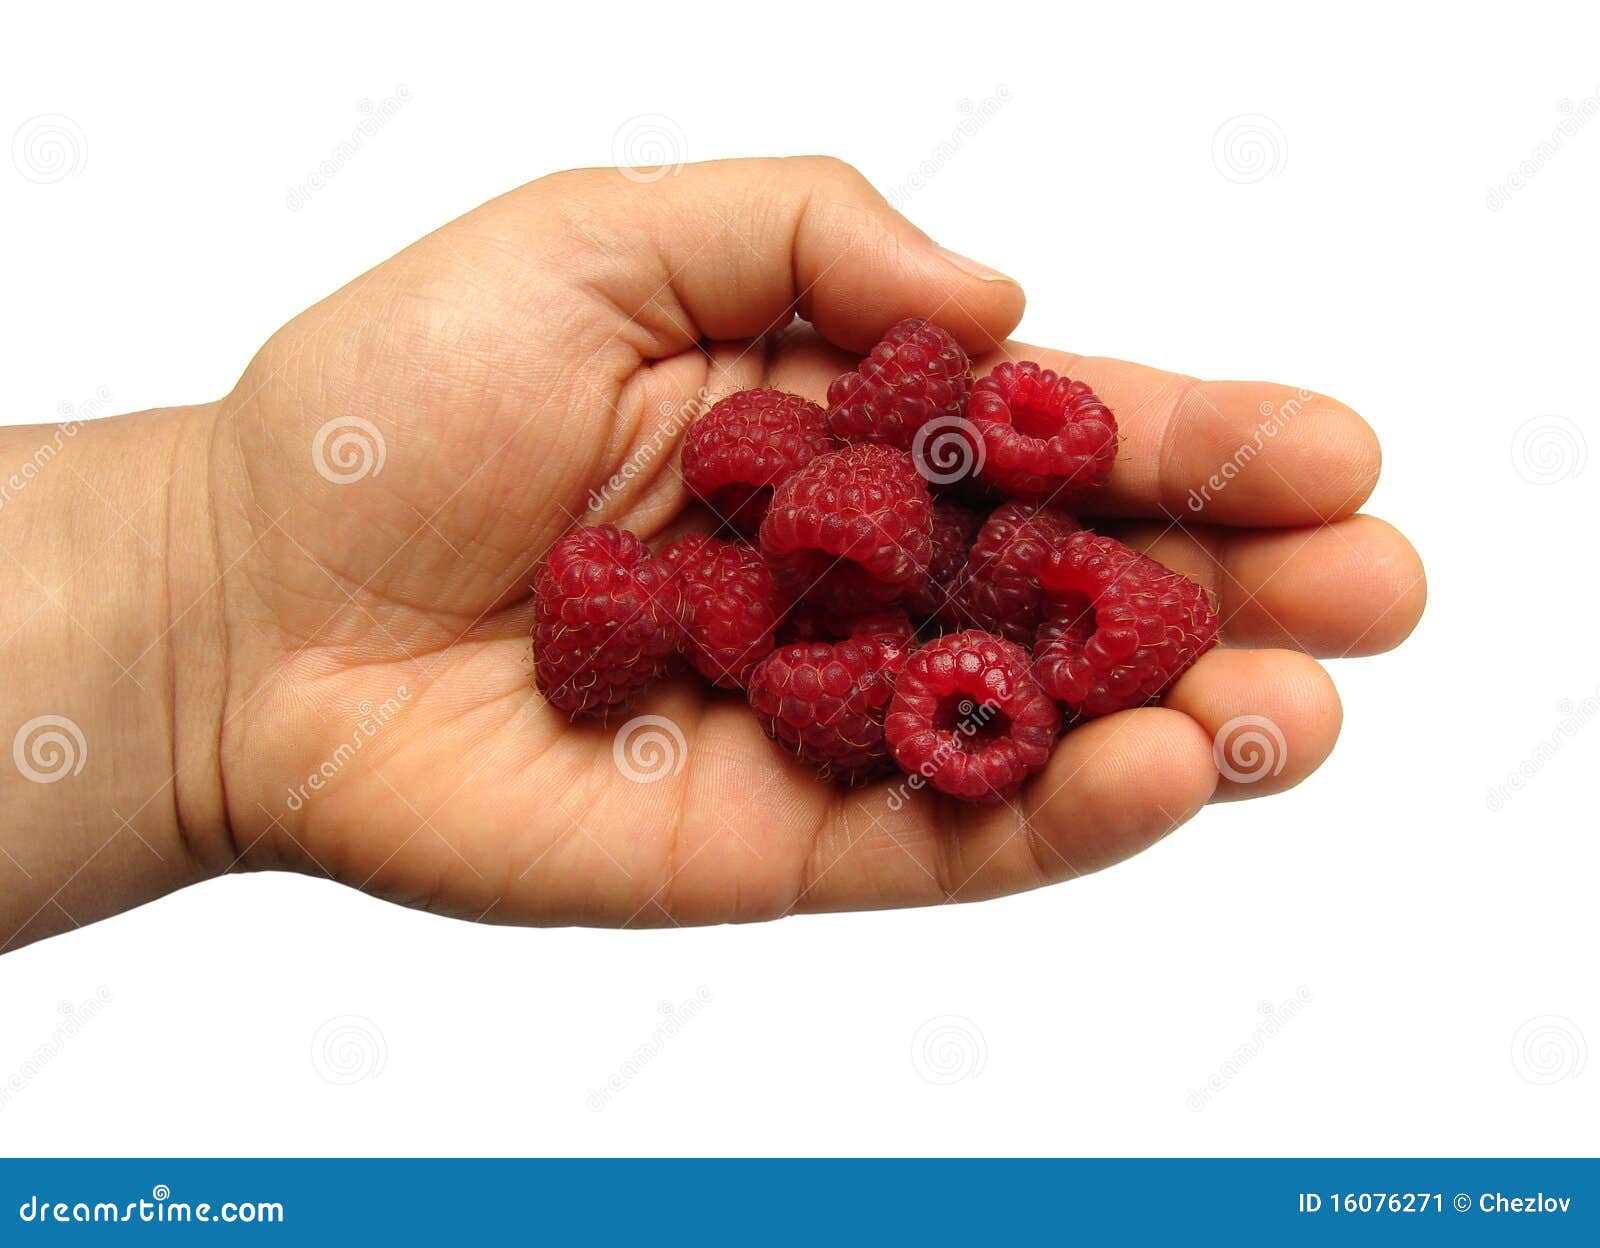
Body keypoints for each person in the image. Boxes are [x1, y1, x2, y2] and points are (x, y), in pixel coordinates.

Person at [0, 157, 1425, 951]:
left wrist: (199, 592)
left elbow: (922, 566)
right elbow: (802, 564)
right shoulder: (765, 546)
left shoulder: (926, 540)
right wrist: (207, 569)